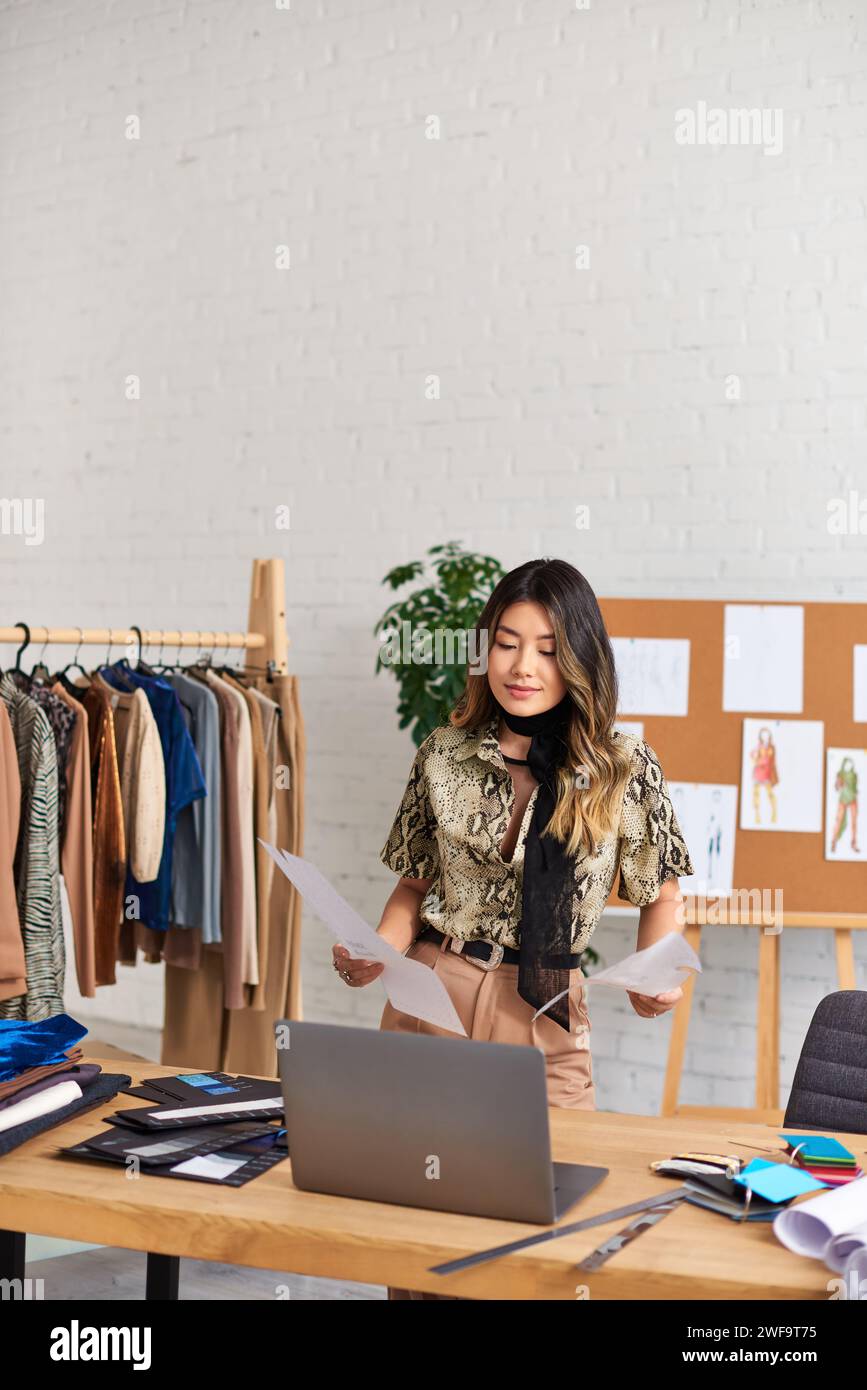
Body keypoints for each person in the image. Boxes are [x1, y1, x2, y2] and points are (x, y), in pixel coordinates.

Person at [333, 557, 695, 1300]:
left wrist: (657, 972)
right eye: (505, 642)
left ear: (580, 656)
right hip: (432, 989)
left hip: (545, 1005)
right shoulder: (443, 752)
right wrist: (377, 947)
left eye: (547, 647)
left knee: (546, 1234)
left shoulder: (623, 765)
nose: (521, 665)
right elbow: (412, 887)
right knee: (415, 1228)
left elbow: (660, 892)